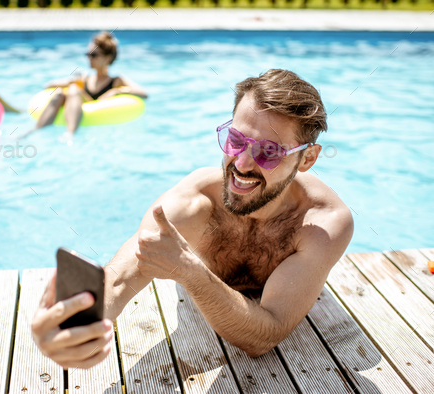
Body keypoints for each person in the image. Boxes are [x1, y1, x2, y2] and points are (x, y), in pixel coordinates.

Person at [31, 69, 354, 368]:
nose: (241, 163)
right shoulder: (193, 204)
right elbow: (118, 279)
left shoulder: (323, 222)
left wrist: (191, 272)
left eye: (268, 151)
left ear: (307, 158)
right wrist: (73, 327)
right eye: (236, 140)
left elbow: (265, 336)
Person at [29, 31, 147, 137]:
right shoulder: (84, 79)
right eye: (88, 54)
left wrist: (117, 91)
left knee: (74, 89)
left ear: (107, 58)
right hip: (79, 102)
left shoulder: (116, 81)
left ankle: (70, 134)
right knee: (60, 93)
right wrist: (69, 82)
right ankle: (35, 131)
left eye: (94, 55)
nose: (89, 58)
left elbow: (143, 94)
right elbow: (48, 85)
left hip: (100, 112)